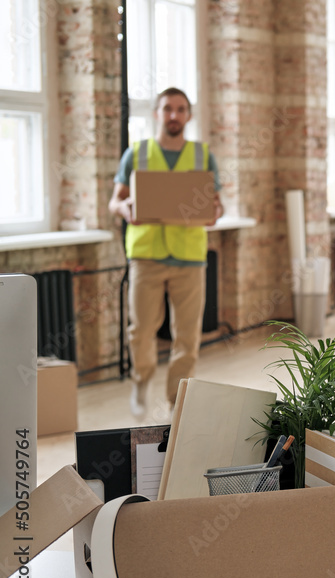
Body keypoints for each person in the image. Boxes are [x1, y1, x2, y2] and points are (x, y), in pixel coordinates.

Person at [108, 87, 223, 417]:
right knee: (141, 329)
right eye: (167, 108)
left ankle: (177, 400)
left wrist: (215, 212)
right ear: (157, 113)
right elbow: (114, 202)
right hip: (146, 255)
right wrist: (125, 207)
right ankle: (141, 381)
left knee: (187, 335)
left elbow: (216, 206)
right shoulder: (137, 153)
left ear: (188, 115)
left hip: (190, 258)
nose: (174, 115)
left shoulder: (203, 156)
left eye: (180, 109)